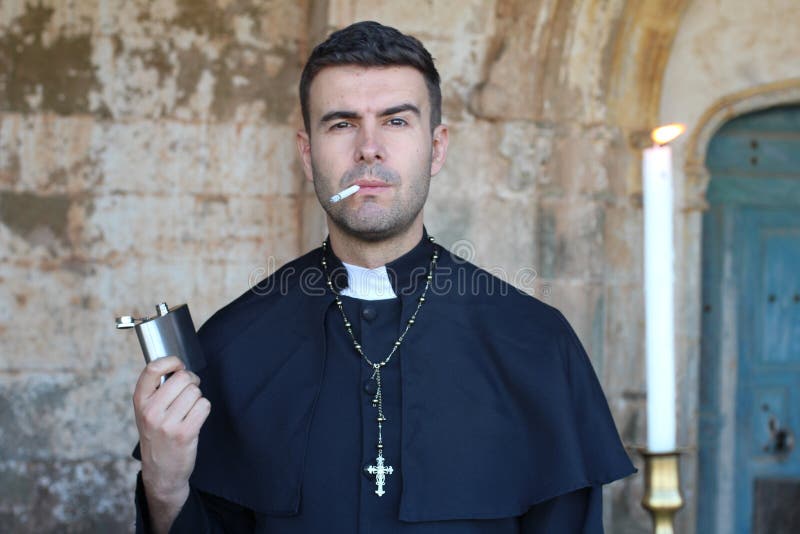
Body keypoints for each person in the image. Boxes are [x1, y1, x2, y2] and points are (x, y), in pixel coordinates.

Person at [131, 21, 635, 533]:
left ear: (436, 148)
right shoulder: (232, 343)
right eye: (342, 123)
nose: (369, 148)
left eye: (396, 122)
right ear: (307, 154)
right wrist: (165, 486)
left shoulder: (538, 343)